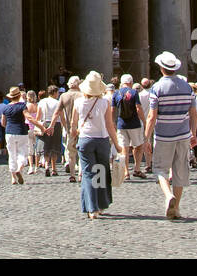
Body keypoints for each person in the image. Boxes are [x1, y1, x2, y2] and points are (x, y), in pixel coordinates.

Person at [146, 52, 197, 220]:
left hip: (163, 136)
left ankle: (168, 196)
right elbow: (193, 113)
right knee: (180, 170)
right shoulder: (187, 87)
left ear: (161, 68)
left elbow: (152, 116)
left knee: (160, 168)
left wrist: (146, 137)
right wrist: (194, 133)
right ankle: (176, 209)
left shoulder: (157, 88)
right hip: (183, 134)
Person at [73, 72, 120, 219]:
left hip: (85, 140)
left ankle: (91, 208)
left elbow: (73, 125)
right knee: (100, 172)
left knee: (88, 174)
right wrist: (117, 144)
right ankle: (100, 205)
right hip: (102, 140)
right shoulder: (104, 102)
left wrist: (75, 134)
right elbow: (109, 125)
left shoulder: (78, 102)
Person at [112, 74, 147, 178]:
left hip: (121, 124)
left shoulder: (116, 93)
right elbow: (138, 108)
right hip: (134, 124)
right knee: (139, 145)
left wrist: (113, 122)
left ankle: (126, 172)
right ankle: (137, 169)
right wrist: (144, 121)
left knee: (124, 148)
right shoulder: (134, 92)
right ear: (131, 83)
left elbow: (112, 110)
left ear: (122, 83)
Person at [1, 86, 31, 184]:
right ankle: (19, 168)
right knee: (23, 153)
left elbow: (3, 123)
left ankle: (13, 178)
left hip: (9, 132)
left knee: (12, 154)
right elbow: (28, 117)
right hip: (21, 131)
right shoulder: (22, 106)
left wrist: (8, 126)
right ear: (19, 96)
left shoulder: (5, 107)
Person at [56, 75, 82, 182]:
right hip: (81, 128)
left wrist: (61, 123)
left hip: (69, 129)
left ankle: (72, 175)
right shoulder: (82, 95)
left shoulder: (63, 96)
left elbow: (58, 112)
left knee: (71, 153)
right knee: (81, 153)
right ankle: (80, 174)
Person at [37, 85, 62, 176]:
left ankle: (47, 165)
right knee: (55, 147)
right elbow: (61, 116)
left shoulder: (42, 102)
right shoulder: (58, 102)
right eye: (58, 92)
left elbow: (38, 116)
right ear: (55, 93)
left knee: (46, 146)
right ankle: (54, 168)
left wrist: (38, 125)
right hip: (56, 124)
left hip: (45, 124)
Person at [138, 77, 157, 172]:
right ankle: (156, 162)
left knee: (146, 142)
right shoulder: (154, 93)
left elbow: (138, 109)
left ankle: (148, 163)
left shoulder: (140, 95)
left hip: (144, 121)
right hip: (155, 120)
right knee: (156, 142)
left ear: (142, 85)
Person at [24, 89, 42, 175]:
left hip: (28, 128)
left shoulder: (26, 106)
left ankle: (31, 167)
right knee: (37, 148)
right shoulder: (38, 105)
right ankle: (37, 166)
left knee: (29, 148)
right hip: (36, 128)